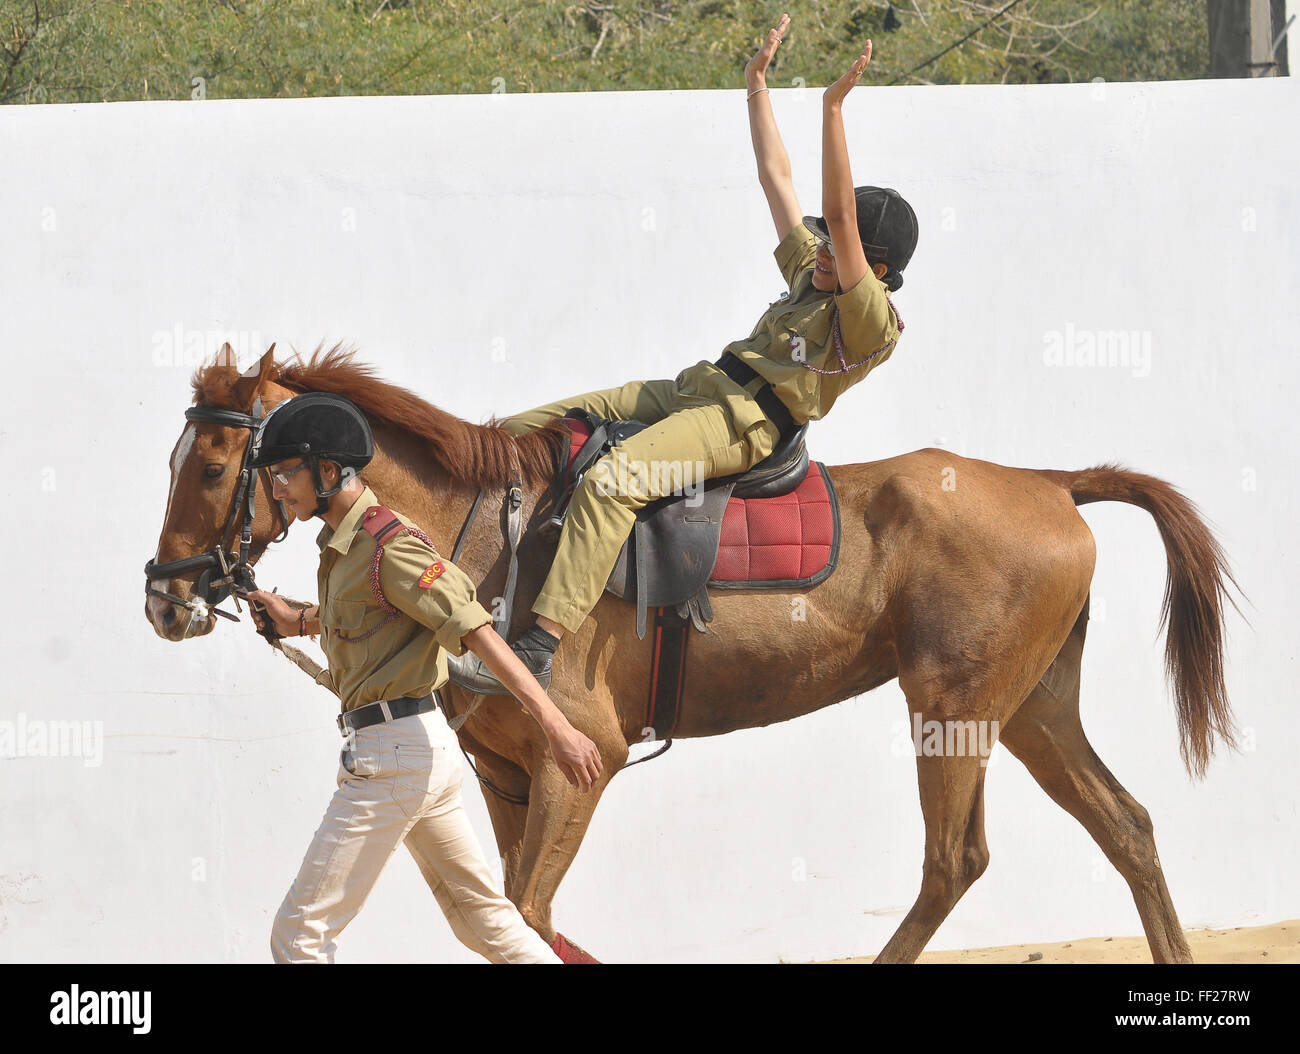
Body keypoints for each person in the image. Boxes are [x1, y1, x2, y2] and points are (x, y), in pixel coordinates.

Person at [457, 16, 918, 695]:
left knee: (615, 482)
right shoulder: (809, 274)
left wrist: (831, 108)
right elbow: (776, 177)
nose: (819, 248)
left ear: (872, 268)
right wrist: (756, 86)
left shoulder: (870, 316)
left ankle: (539, 643)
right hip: (697, 387)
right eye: (818, 243)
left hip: (746, 422)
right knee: (528, 428)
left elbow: (840, 215)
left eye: (833, 248)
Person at [244, 391, 602, 963]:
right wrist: (299, 621)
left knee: (299, 934)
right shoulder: (347, 547)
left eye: (287, 472)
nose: (279, 488)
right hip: (409, 751)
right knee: (485, 925)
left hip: (394, 756)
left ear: (329, 471)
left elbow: (478, 631)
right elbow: (370, 616)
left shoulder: (392, 546)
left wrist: (557, 727)